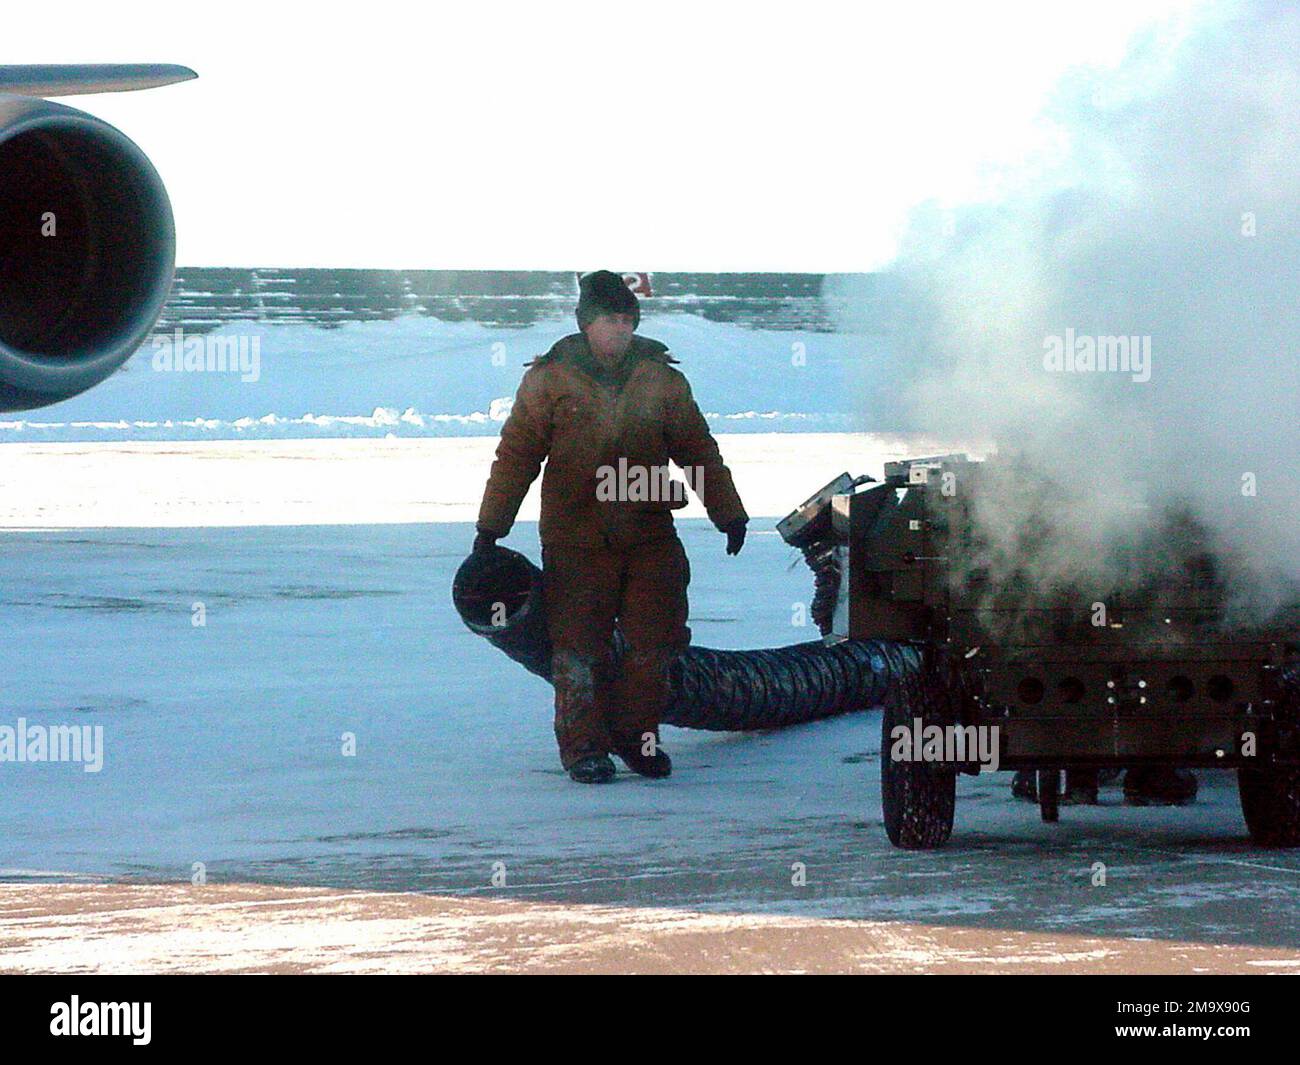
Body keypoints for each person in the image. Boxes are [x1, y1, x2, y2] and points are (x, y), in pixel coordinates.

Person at [472, 270, 748, 784]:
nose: (620, 328)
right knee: (578, 646)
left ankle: (637, 739)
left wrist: (727, 512)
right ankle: (584, 750)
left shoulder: (661, 376)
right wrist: (492, 527)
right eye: (610, 319)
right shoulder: (550, 378)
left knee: (655, 642)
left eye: (627, 319)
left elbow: (695, 448)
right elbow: (517, 455)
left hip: (649, 536)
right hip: (577, 539)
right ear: (585, 323)